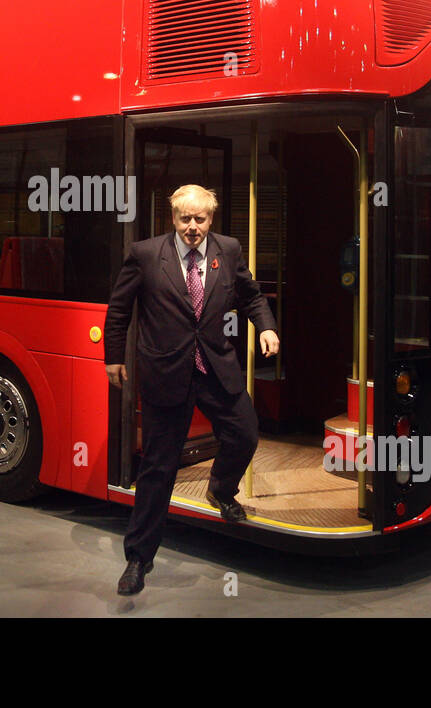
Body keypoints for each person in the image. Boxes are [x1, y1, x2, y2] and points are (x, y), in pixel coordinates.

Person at [103, 184, 279, 596]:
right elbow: (120, 308)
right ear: (173, 218)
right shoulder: (146, 254)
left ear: (211, 219)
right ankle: (138, 559)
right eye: (185, 219)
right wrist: (114, 357)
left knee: (245, 434)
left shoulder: (229, 250)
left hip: (216, 369)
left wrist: (266, 326)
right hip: (167, 373)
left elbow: (251, 296)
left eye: (200, 219)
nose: (193, 227)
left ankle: (221, 489)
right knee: (159, 468)